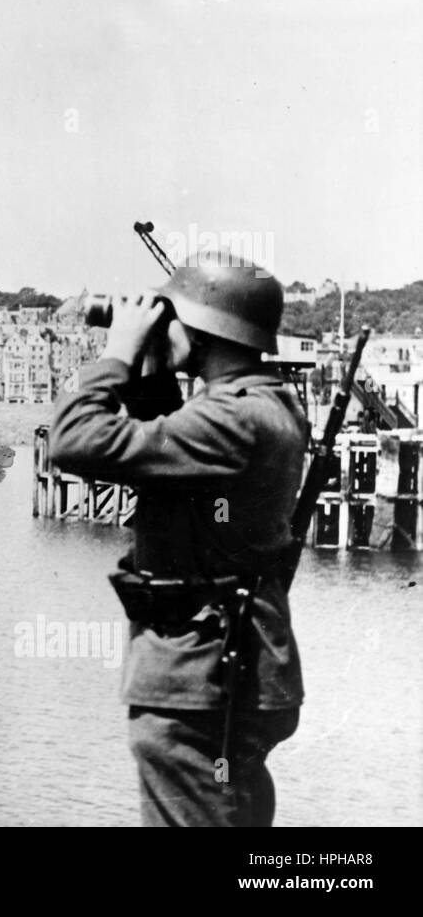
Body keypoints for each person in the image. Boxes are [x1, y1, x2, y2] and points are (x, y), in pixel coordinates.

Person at [49, 251, 309, 827]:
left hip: (200, 678)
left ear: (201, 328)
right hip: (226, 669)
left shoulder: (231, 418)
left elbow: (72, 439)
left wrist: (117, 354)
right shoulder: (264, 403)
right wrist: (155, 376)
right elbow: (172, 471)